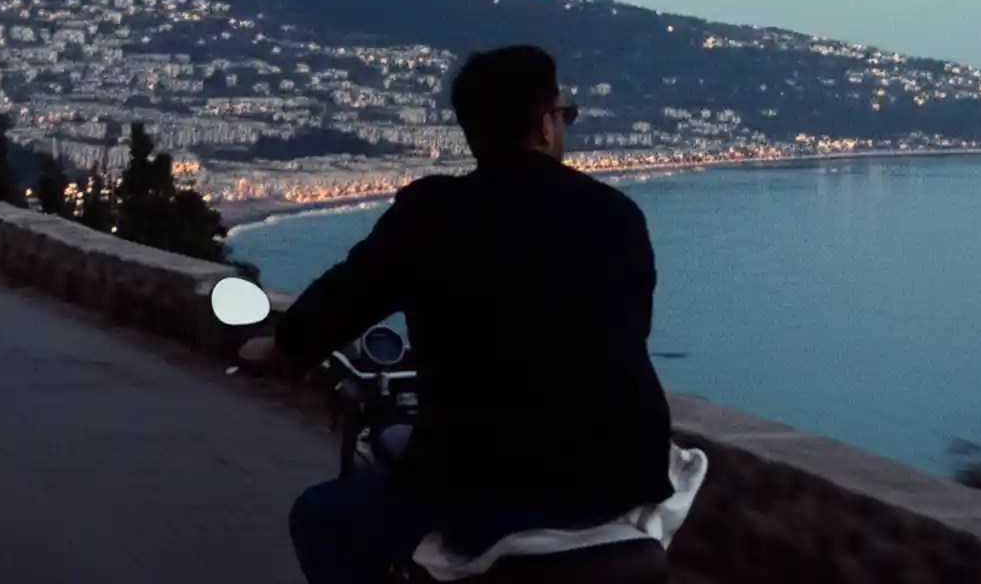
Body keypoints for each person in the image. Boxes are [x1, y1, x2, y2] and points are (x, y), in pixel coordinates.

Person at [239, 45, 673, 584]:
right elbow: (629, 329)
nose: (564, 125)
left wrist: (280, 348)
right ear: (545, 125)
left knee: (320, 517)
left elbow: (345, 296)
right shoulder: (617, 215)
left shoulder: (433, 213)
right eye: (565, 114)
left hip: (491, 484)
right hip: (621, 479)